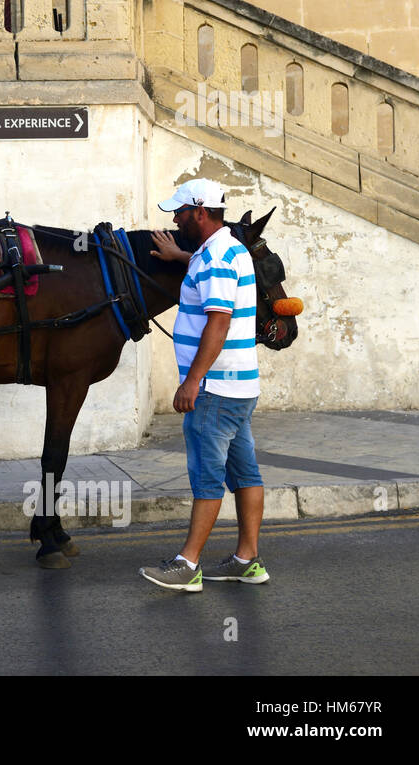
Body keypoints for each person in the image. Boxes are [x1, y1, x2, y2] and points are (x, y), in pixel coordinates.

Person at [139, 178, 270, 591]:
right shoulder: (228, 249)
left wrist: (192, 381)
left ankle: (187, 565)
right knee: (245, 473)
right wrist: (182, 256)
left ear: (199, 211)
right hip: (240, 386)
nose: (174, 220)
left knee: (207, 477)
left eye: (178, 213)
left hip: (214, 389)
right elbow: (208, 271)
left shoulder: (214, 259)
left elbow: (219, 320)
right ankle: (247, 560)